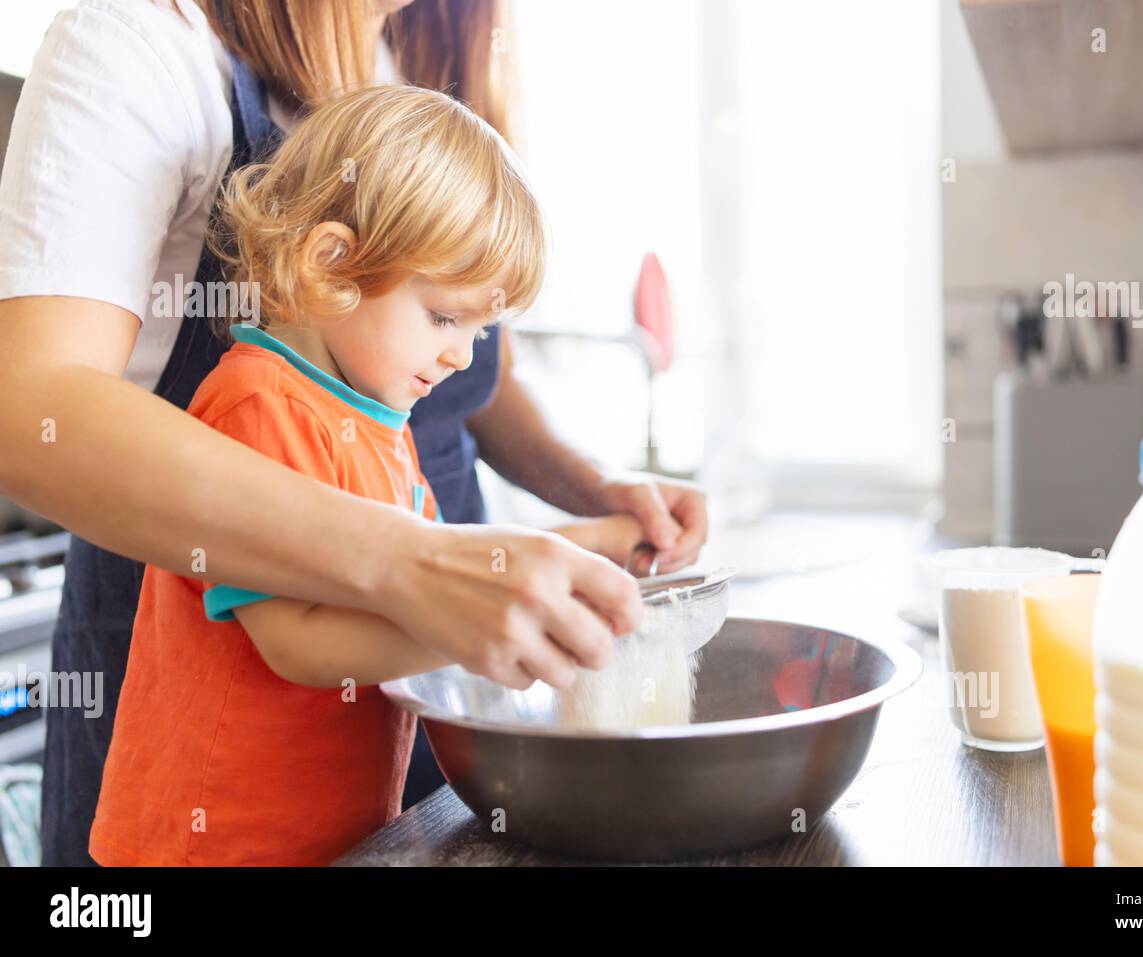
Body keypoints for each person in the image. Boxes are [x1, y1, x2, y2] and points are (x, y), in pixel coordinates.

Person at [0, 0, 706, 867]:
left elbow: (480, 396)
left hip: (380, 775)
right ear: (326, 263)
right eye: (446, 318)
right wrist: (450, 602)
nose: (458, 355)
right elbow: (31, 412)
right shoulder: (261, 403)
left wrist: (591, 515)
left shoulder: (384, 420)